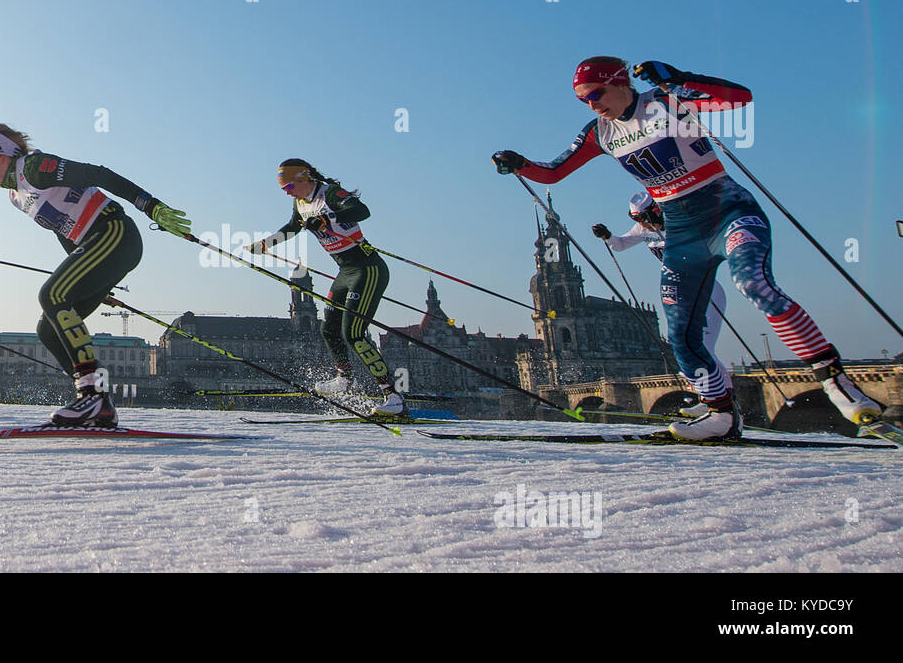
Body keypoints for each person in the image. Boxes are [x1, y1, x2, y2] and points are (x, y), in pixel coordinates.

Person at [493, 57, 884, 440]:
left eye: (596, 93)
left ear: (621, 82)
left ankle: (835, 383)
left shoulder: (664, 102)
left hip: (726, 210)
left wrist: (680, 78)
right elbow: (555, 172)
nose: (591, 104)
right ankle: (721, 414)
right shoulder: (599, 132)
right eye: (583, 99)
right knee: (681, 335)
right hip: (681, 231)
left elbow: (739, 98)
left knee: (755, 286)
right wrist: (520, 164)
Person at [0, 124, 190, 427]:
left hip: (114, 233)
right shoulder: (15, 195)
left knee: (51, 295)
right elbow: (62, 228)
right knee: (47, 329)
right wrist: (85, 276)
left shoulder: (33, 168)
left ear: (0, 154)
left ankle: (92, 397)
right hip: (94, 247)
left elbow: (97, 174)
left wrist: (149, 205)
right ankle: (99, 404)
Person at [246, 159, 405, 417]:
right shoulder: (300, 203)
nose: (286, 191)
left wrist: (328, 217)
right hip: (345, 272)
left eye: (288, 185)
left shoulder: (328, 193)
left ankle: (392, 396)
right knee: (328, 328)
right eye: (283, 188)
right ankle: (344, 378)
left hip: (368, 269)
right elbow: (291, 228)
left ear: (304, 177)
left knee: (353, 333)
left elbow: (361, 211)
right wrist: (266, 244)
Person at [593, 191, 727, 418]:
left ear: (656, 211)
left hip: (704, 286)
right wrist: (607, 236)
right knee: (688, 346)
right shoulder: (643, 230)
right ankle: (713, 398)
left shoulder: (680, 223)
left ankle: (718, 401)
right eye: (636, 219)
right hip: (679, 290)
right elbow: (621, 245)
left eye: (643, 218)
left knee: (703, 347)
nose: (641, 223)